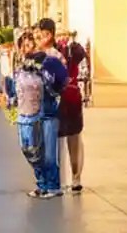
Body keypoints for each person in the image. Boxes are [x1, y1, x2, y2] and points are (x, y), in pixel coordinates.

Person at [12, 27, 68, 200]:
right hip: (29, 115)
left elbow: (62, 79)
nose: (27, 48)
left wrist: (53, 89)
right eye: (24, 45)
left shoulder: (49, 61)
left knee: (49, 153)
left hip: (48, 113)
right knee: (32, 150)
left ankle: (53, 185)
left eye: (31, 43)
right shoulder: (21, 67)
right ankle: (41, 183)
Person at [59, 39, 87, 193]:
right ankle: (66, 178)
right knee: (62, 141)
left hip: (70, 99)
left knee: (74, 139)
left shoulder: (72, 51)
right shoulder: (51, 52)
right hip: (64, 99)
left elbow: (80, 54)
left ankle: (76, 177)